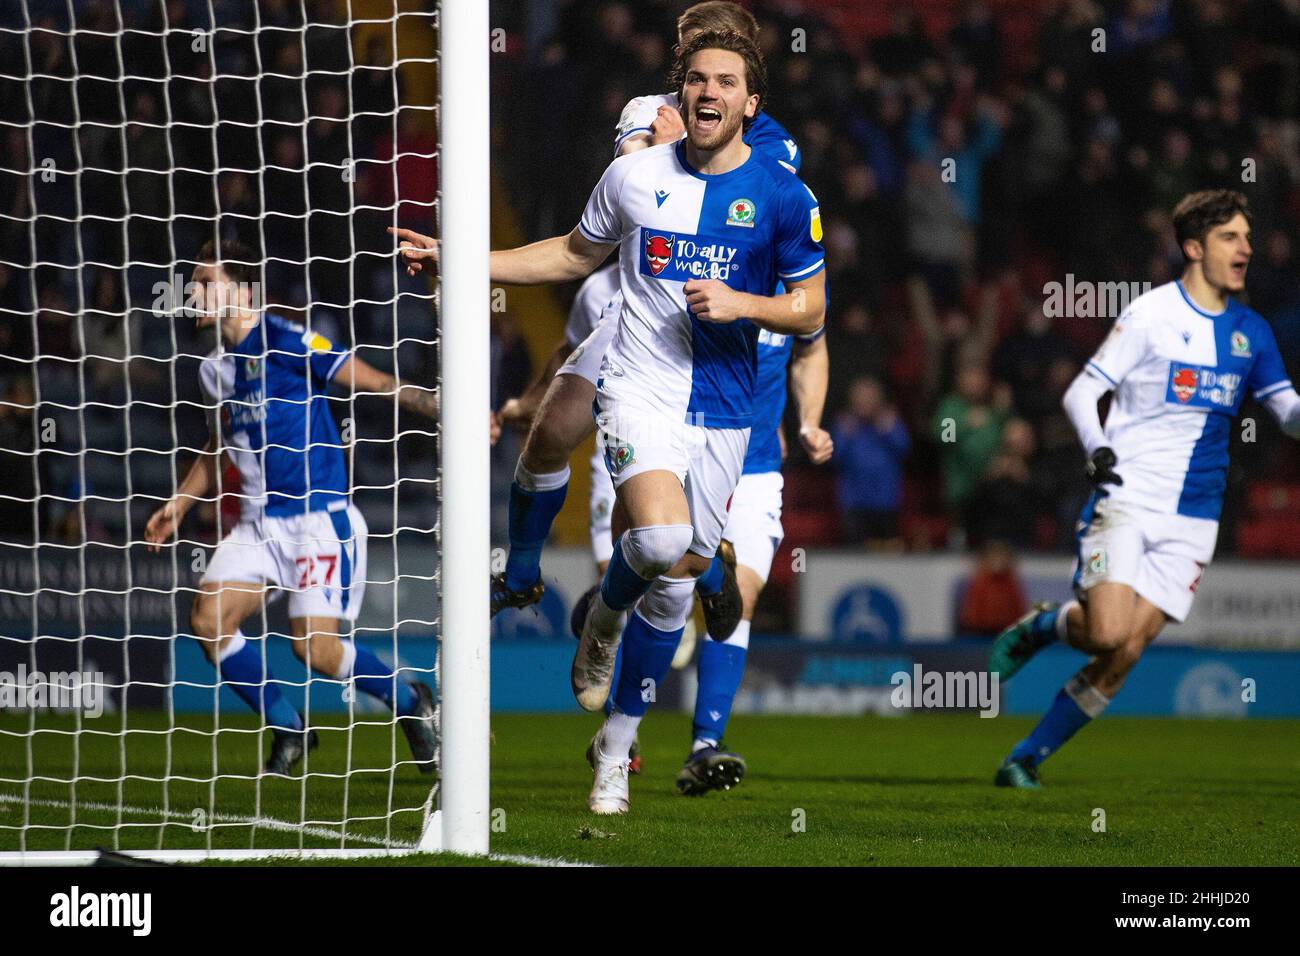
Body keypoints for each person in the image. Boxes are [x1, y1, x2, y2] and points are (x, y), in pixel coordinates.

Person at [400, 31, 825, 814]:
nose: (708, 93)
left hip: (728, 412)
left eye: (725, 83)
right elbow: (568, 254)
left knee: (681, 581)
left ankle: (616, 749)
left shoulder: (785, 197)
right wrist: (460, 257)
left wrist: (745, 305)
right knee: (659, 542)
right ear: (678, 92)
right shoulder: (633, 176)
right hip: (642, 385)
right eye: (696, 79)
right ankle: (600, 619)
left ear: (749, 104)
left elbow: (811, 309)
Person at [987, 190, 1300, 787]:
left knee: (1125, 651)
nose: (1246, 249)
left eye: (1247, 238)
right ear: (1193, 247)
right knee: (1104, 631)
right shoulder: (1151, 315)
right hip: (1128, 495)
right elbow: (1082, 391)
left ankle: (1026, 757)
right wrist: (1098, 449)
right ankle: (1045, 626)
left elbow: (1284, 410)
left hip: (1195, 517)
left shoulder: (1251, 332)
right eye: (1231, 237)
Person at [143, 239, 441, 776]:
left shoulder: (288, 339)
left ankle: (410, 701)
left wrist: (443, 405)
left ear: (242, 289)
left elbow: (372, 381)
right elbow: (220, 444)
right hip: (257, 526)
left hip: (316, 518)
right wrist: (181, 504)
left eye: (206, 281)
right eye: (193, 283)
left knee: (315, 651)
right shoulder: (215, 371)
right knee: (208, 621)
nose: (194, 292)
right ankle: (289, 727)